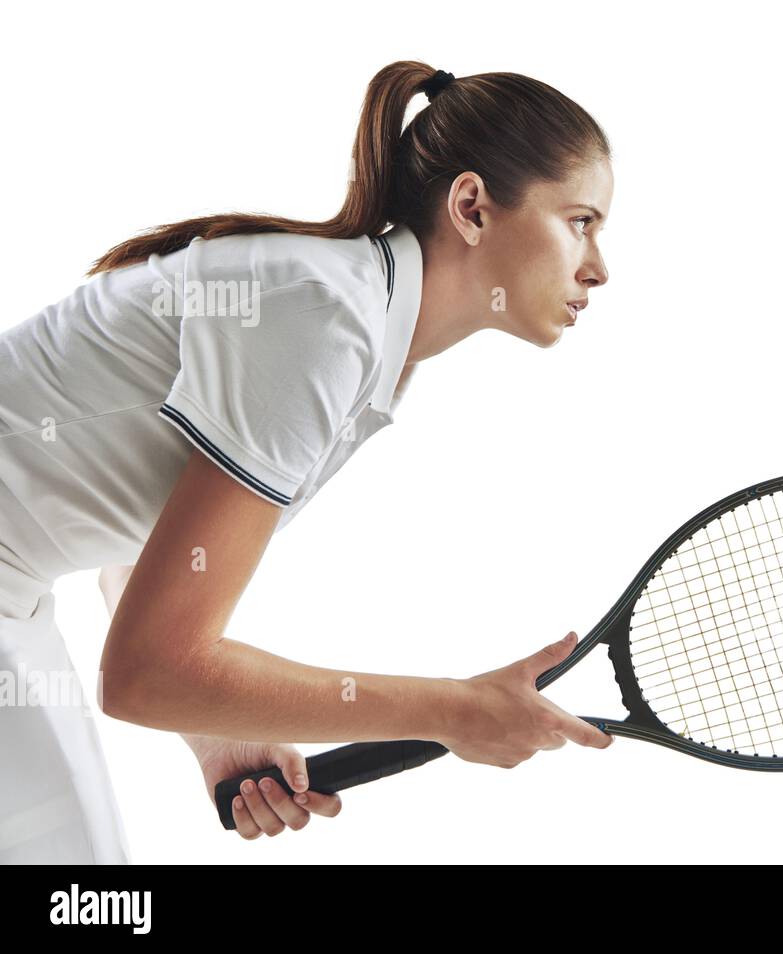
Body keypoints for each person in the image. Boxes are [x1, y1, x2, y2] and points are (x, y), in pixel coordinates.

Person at [0, 59, 614, 863]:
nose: (599, 267)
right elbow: (147, 671)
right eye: (581, 222)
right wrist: (451, 711)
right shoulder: (327, 319)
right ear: (472, 207)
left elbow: (143, 561)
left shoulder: (366, 328)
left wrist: (216, 731)